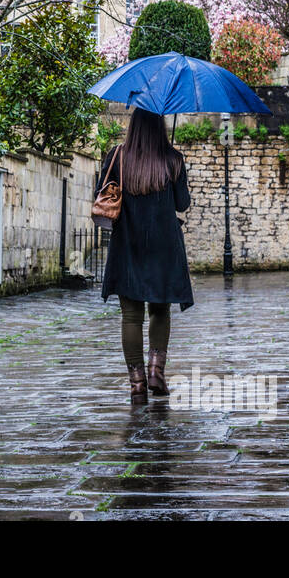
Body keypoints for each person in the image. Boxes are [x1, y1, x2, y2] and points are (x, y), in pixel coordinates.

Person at [98, 108, 193, 402]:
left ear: (134, 125)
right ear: (161, 126)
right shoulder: (173, 159)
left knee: (131, 316)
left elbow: (102, 195)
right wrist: (175, 169)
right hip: (164, 245)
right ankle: (156, 372)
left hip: (128, 242)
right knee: (160, 310)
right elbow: (182, 204)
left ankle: (137, 384)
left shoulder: (117, 156)